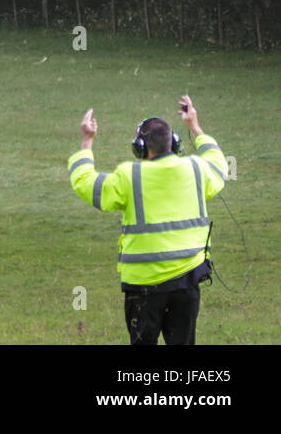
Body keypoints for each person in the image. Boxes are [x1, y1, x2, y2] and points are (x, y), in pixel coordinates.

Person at [67, 95, 228, 344]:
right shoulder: (197, 169)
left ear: (140, 148)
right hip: (187, 281)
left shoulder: (129, 176)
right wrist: (194, 127)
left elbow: (87, 185)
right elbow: (219, 164)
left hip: (144, 287)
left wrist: (87, 142)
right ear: (173, 143)